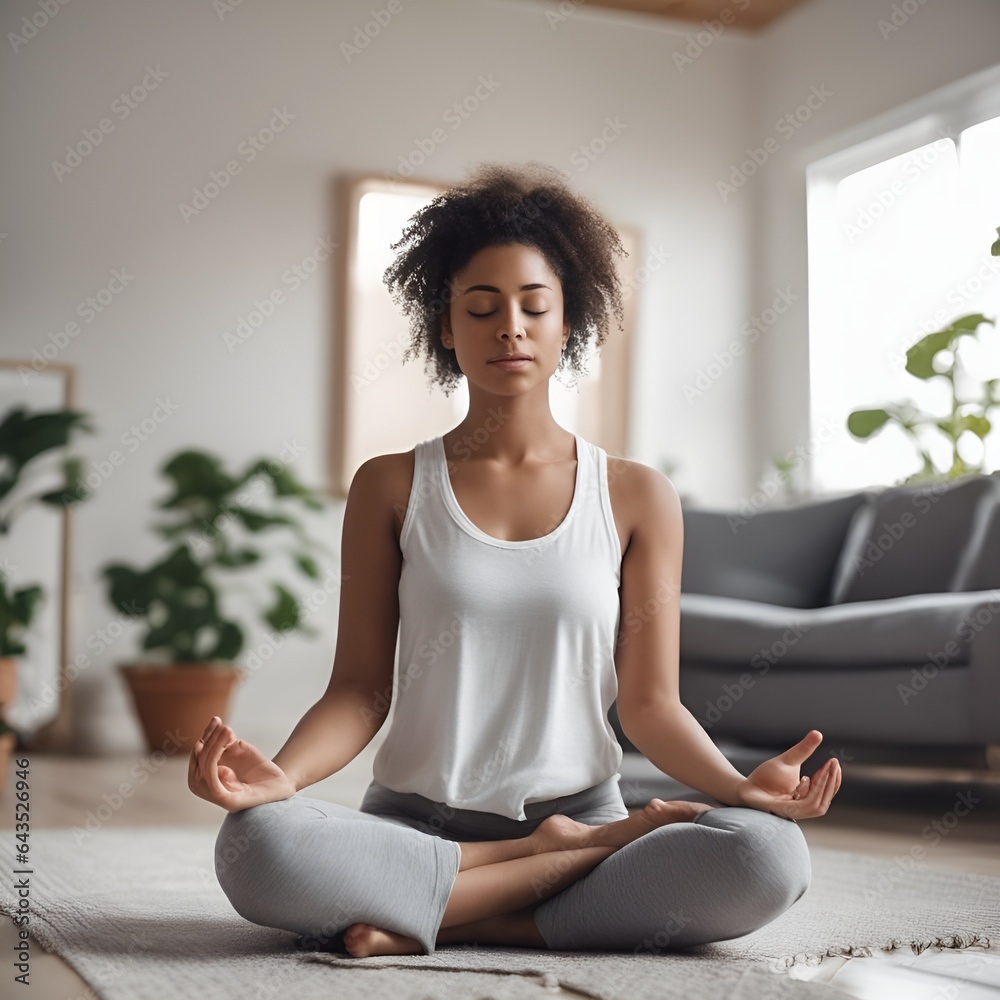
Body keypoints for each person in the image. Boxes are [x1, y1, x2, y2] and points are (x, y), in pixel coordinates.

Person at [189, 161, 841, 959]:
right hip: (415, 828)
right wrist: (280, 781)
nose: (511, 328)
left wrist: (739, 791)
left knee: (767, 855)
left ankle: (474, 910)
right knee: (257, 848)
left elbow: (650, 706)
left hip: (584, 808)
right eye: (482, 307)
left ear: (570, 324)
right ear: (444, 326)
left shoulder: (637, 495)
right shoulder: (390, 484)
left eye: (536, 306)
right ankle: (546, 867)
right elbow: (359, 690)